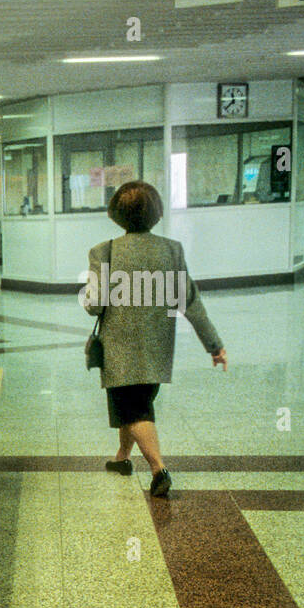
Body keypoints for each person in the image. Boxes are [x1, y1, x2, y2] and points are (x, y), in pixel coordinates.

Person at [84, 181, 227, 497]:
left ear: (116, 215)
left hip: (120, 350)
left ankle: (159, 469)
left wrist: (85, 295)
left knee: (134, 411)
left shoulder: (103, 252)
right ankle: (122, 458)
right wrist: (214, 345)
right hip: (157, 350)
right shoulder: (171, 250)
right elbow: (189, 302)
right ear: (156, 214)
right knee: (135, 405)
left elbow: (94, 305)